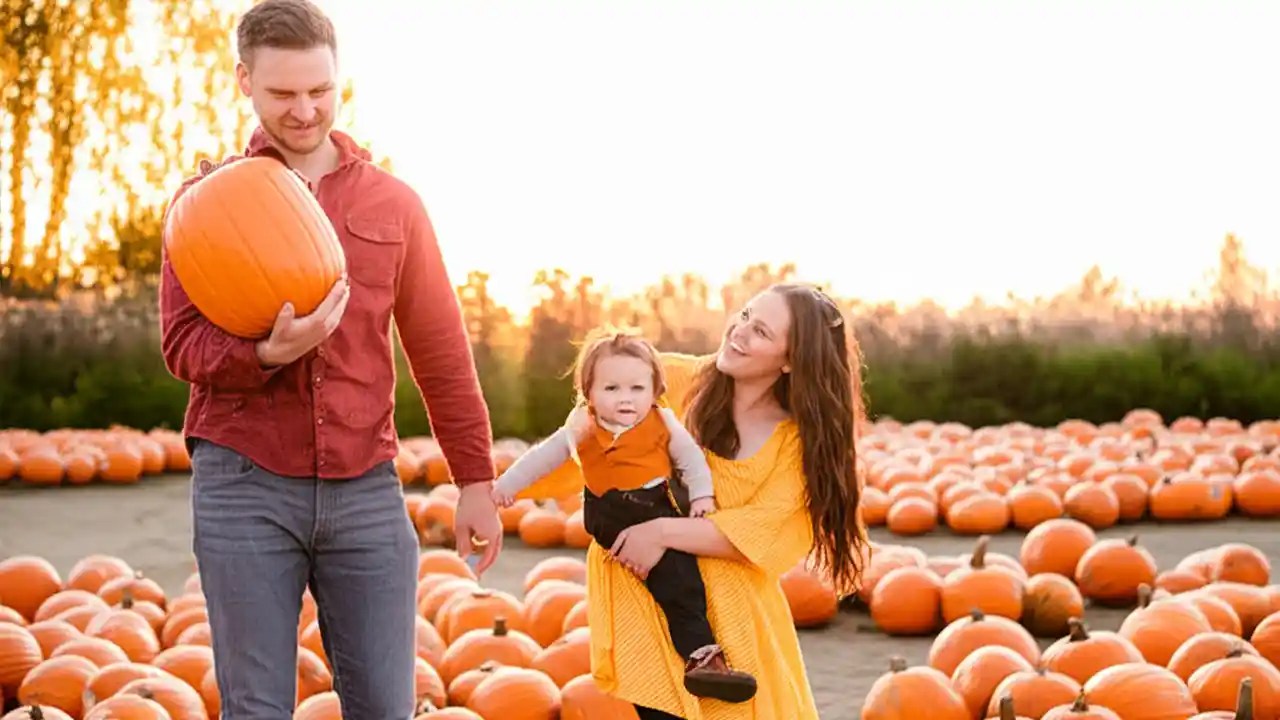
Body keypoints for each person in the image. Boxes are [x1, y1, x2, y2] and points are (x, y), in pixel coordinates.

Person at [157, 1, 502, 718]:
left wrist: (475, 478)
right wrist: (262, 355)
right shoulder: (202, 206)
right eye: (283, 93)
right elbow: (181, 344)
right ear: (244, 80)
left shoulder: (394, 204)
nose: (305, 109)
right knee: (257, 708)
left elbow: (439, 349)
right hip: (243, 481)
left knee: (385, 705)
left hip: (365, 486)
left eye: (321, 90)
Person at [536, 283, 869, 719]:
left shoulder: (797, 444)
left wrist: (659, 531)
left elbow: (764, 531)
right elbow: (588, 439)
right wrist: (487, 487)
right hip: (644, 596)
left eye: (762, 332)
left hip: (734, 620)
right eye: (746, 315)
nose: (740, 331)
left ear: (790, 361)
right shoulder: (669, 381)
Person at [492, 327, 758, 703]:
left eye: (637, 389)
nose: (625, 399)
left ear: (654, 390)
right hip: (609, 510)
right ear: (589, 393)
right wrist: (508, 485)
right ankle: (700, 653)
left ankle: (699, 659)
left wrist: (701, 495)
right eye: (611, 389)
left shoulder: (663, 422)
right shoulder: (584, 425)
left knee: (685, 576)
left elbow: (691, 460)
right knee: (676, 578)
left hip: (653, 503)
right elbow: (544, 457)